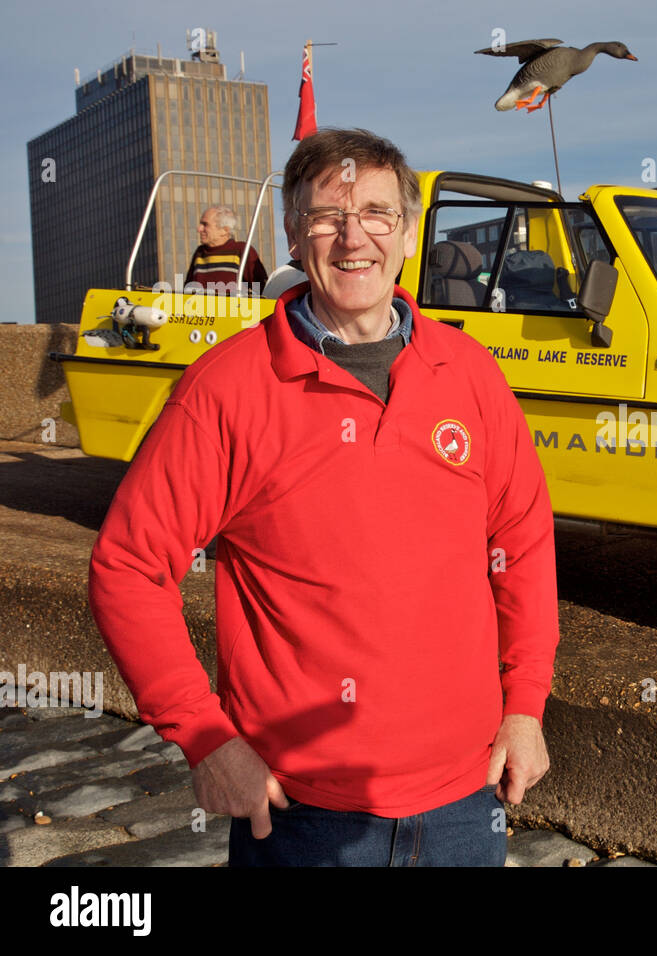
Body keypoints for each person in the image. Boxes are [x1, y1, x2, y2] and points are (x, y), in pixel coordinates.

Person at [88, 128, 560, 866]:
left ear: (405, 233)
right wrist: (206, 740)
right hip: (302, 815)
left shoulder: (468, 373)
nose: (353, 238)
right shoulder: (228, 390)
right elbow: (128, 568)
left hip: (469, 805)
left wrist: (526, 706)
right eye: (326, 217)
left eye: (376, 213)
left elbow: (522, 544)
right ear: (292, 235)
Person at [183, 205, 270, 291]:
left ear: (224, 230)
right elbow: (187, 290)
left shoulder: (242, 250)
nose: (199, 229)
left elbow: (263, 288)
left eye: (205, 224)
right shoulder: (199, 253)